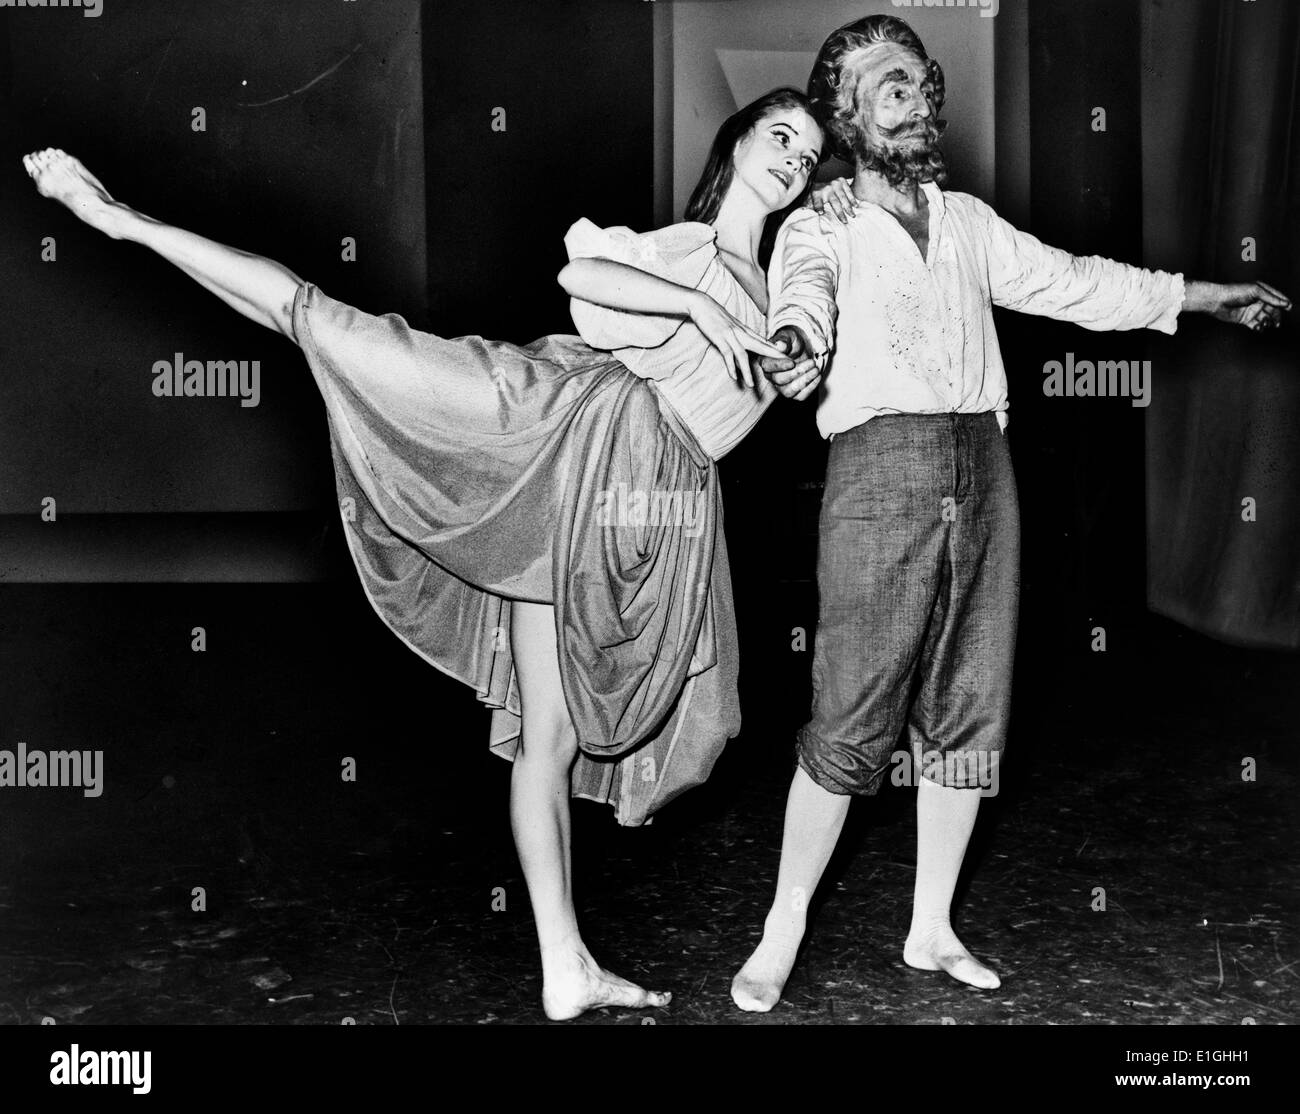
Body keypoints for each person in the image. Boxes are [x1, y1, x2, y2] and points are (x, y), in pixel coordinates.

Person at [23, 87, 828, 1021]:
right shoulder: (688, 252)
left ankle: (563, 965)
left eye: (809, 158)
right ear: (735, 142)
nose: (792, 162)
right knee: (325, 323)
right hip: (564, 440)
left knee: (560, 737)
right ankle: (118, 218)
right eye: (780, 137)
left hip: (652, 508)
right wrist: (702, 309)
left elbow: (760, 388)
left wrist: (791, 361)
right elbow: (588, 279)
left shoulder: (778, 291)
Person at [731, 15, 1290, 1013]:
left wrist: (1205, 296)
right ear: (845, 112)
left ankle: (930, 926)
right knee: (851, 711)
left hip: (984, 471)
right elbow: (802, 309)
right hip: (878, 469)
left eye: (917, 76)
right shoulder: (816, 228)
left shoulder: (969, 225)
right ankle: (781, 930)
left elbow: (1078, 283)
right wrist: (791, 345)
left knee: (969, 708)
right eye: (883, 81)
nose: (911, 91)